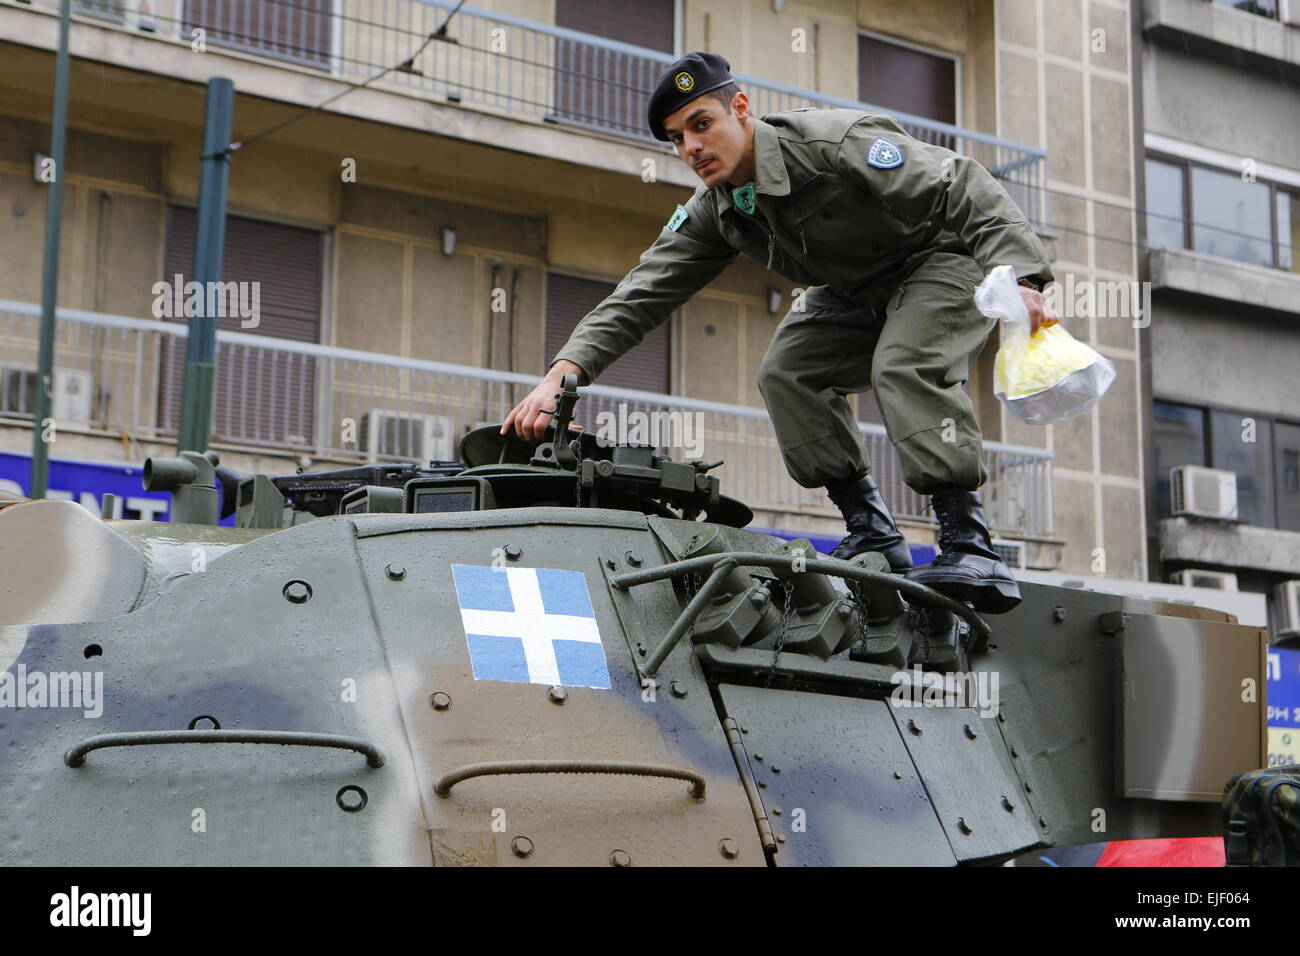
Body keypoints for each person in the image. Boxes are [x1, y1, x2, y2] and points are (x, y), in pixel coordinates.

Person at [503, 52, 1058, 614]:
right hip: (858, 291)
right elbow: (640, 293)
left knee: (903, 363)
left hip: (943, 257)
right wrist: (560, 376)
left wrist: (1024, 277)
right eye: (676, 139)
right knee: (787, 372)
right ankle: (874, 534)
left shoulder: (828, 143)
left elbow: (957, 182)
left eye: (701, 124)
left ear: (740, 109)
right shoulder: (718, 210)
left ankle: (971, 543)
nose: (691, 147)